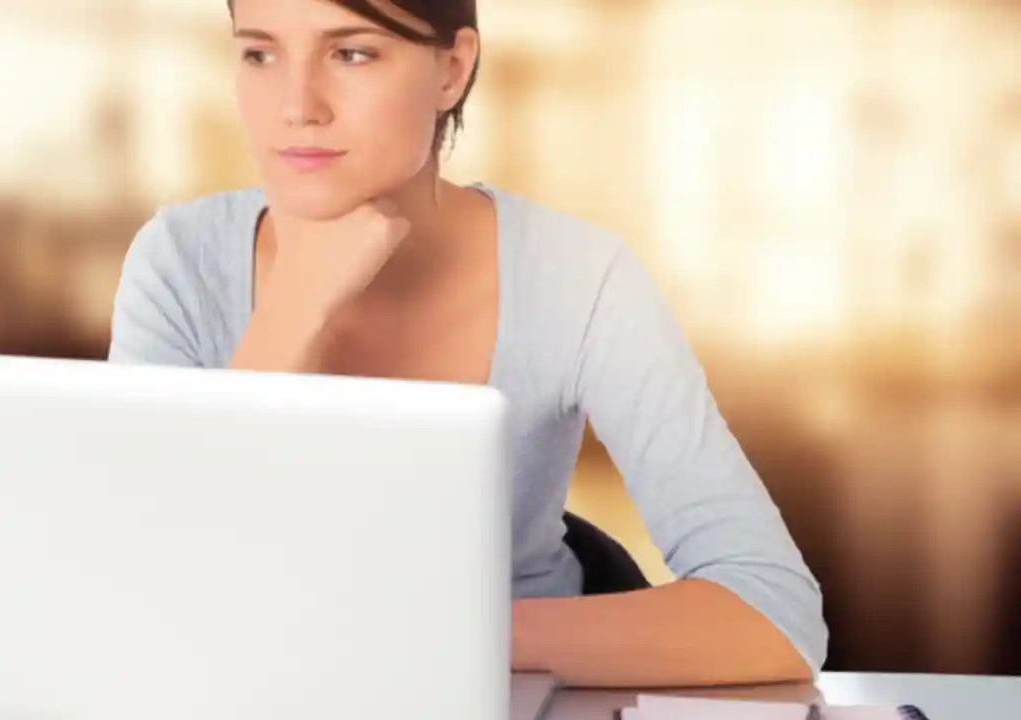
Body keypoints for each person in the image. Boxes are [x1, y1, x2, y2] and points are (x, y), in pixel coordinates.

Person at [108, 0, 827, 688]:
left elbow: (775, 614)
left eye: (352, 52)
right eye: (260, 53)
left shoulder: (576, 275)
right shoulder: (179, 262)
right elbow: (149, 606)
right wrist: (292, 312)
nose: (297, 105)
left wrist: (447, 642)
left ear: (451, 70)